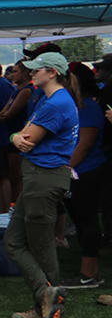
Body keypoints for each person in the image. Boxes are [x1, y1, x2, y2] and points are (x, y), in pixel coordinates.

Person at [4, 52, 78, 318]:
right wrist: (15, 137)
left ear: (53, 73)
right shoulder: (51, 100)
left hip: (43, 178)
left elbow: (27, 139)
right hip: (40, 178)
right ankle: (45, 297)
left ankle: (47, 306)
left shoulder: (55, 103)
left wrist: (16, 137)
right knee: (15, 241)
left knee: (41, 246)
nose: (30, 72)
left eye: (37, 69)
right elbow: (20, 135)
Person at [63, 61, 106, 290]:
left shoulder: (88, 107)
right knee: (81, 220)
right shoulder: (79, 106)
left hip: (87, 171)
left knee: (87, 220)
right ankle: (90, 271)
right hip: (78, 170)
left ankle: (89, 274)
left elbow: (86, 143)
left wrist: (66, 167)